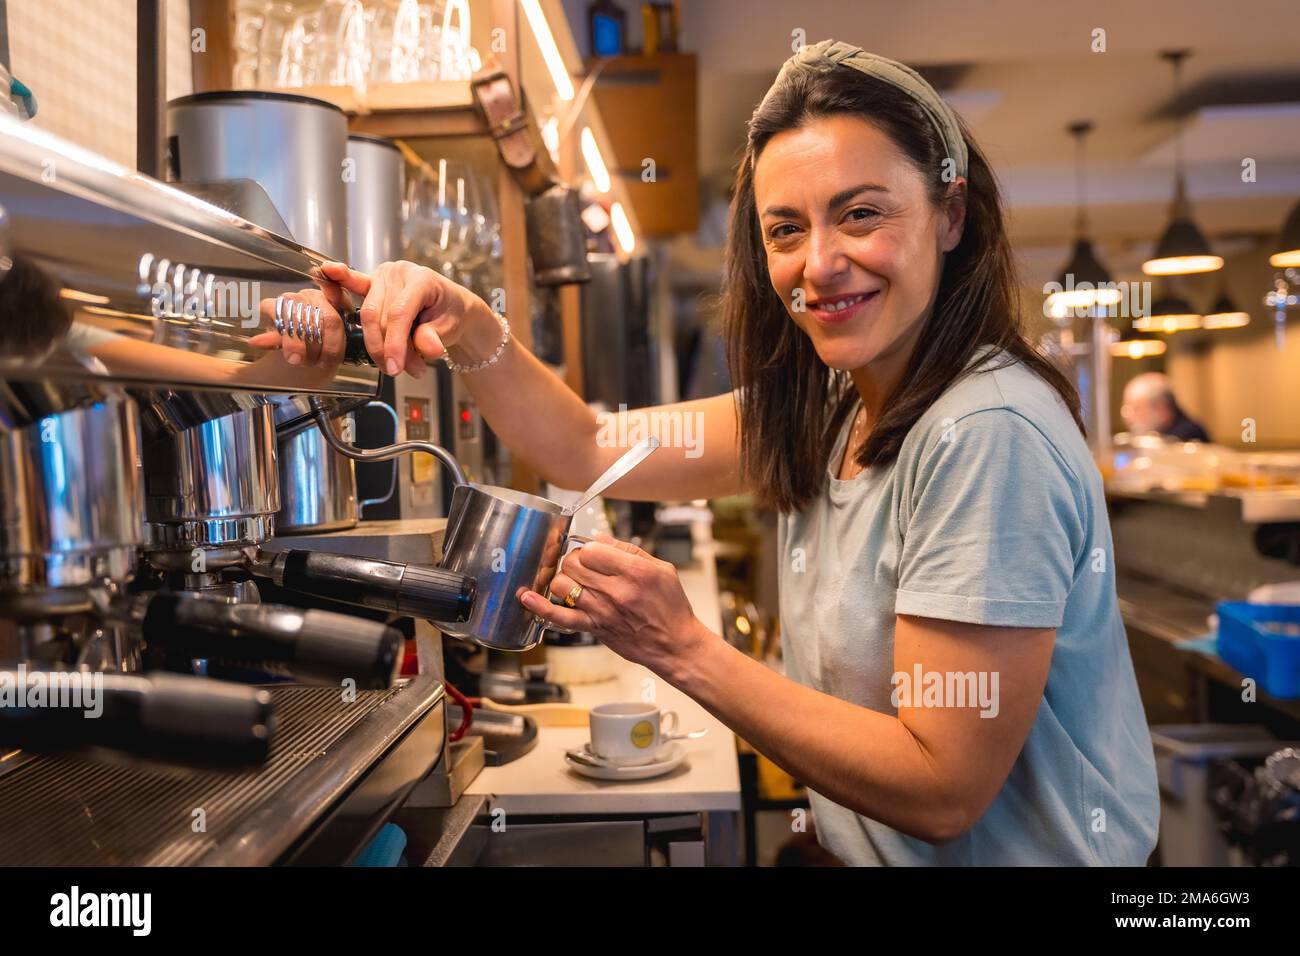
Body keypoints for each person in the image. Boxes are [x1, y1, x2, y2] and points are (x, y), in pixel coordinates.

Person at [305, 40, 1159, 865]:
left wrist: (681, 647)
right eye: (785, 230)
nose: (818, 264)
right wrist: (465, 320)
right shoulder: (831, 407)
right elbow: (586, 446)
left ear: (951, 215)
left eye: (861, 213)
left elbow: (942, 788)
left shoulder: (985, 433)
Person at [1121, 372, 1211, 442]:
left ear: (1162, 410)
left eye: (1137, 408)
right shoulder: (1156, 435)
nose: (1128, 416)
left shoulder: (1187, 437)